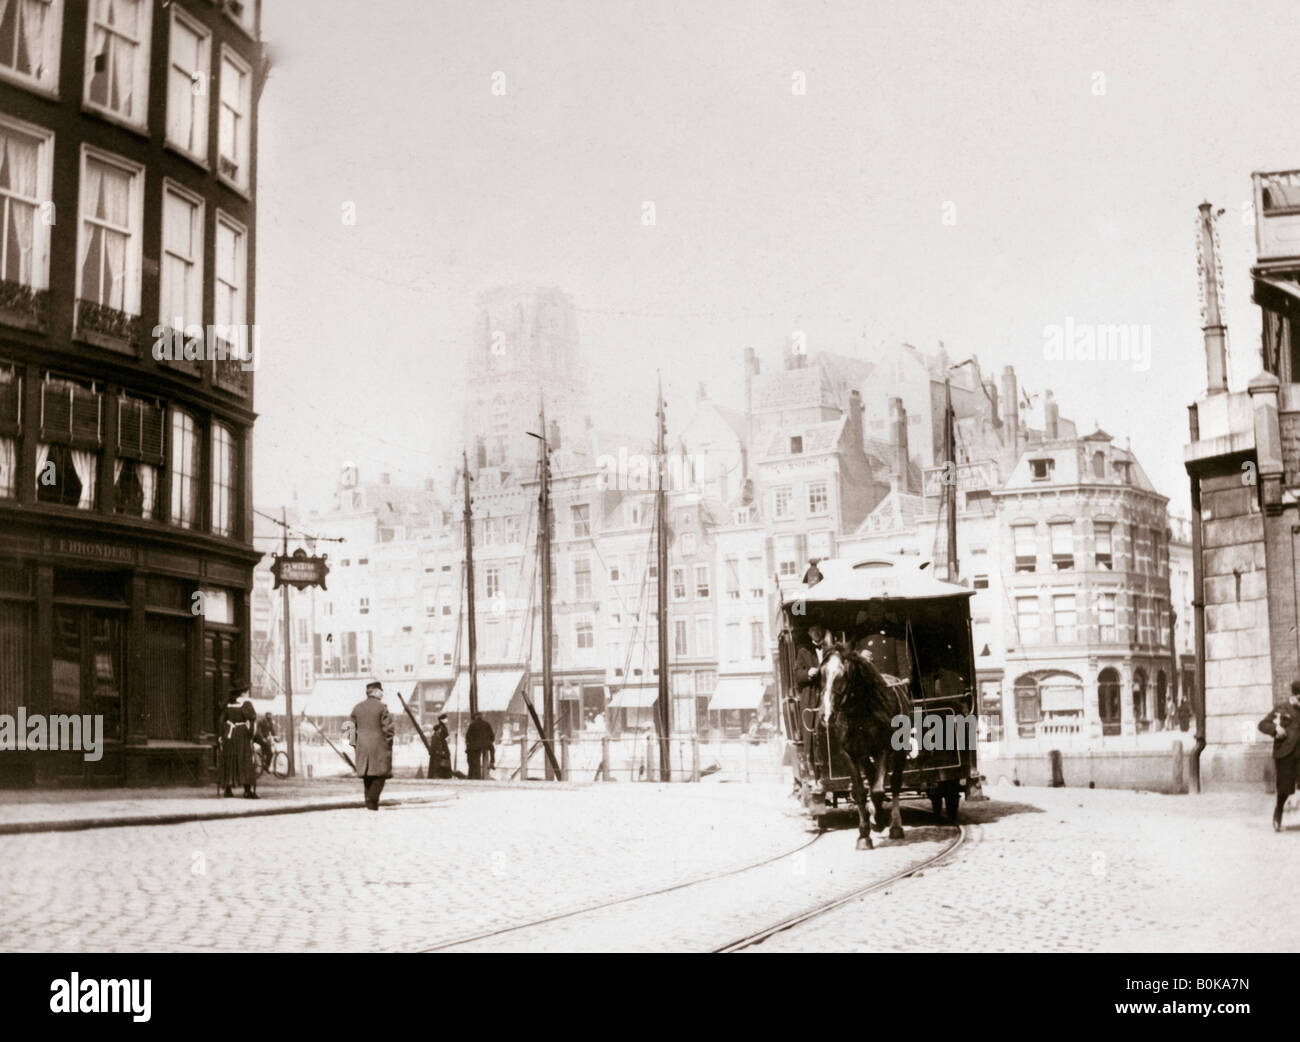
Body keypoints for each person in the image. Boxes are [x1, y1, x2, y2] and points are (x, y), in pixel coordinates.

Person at [1258, 681, 1300, 831]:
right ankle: (1279, 812)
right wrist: (1275, 729)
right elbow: (1262, 724)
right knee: (1284, 789)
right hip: (1285, 754)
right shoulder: (1281, 709)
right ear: (1295, 696)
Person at [351, 680, 395, 810]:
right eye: (381, 691)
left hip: (362, 746)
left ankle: (370, 803)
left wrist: (355, 745)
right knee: (380, 775)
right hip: (379, 746)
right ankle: (372, 800)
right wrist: (388, 743)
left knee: (367, 775)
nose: (383, 693)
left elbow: (349, 729)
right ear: (376, 692)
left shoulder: (357, 707)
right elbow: (389, 730)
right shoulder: (382, 707)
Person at [219, 686, 258, 799]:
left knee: (229, 760)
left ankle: (227, 789)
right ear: (243, 693)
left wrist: (221, 735)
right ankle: (247, 791)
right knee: (244, 760)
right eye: (246, 691)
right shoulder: (246, 704)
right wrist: (250, 734)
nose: (247, 693)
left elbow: (221, 720)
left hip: (229, 734)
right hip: (241, 734)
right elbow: (252, 717)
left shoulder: (228, 704)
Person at [465, 711, 495, 780]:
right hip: (487, 744)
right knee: (492, 750)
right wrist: (490, 741)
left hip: (476, 745)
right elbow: (492, 735)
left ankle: (478, 776)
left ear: (475, 717)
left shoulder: (472, 724)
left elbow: (468, 736)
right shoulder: (487, 724)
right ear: (481, 717)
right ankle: (492, 761)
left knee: (476, 760)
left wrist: (469, 743)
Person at [428, 713, 452, 780]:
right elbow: (442, 738)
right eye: (445, 718)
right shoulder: (441, 727)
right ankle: (444, 775)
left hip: (442, 746)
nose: (446, 720)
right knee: (442, 760)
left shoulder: (441, 727)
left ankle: (441, 775)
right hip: (442, 747)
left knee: (440, 760)